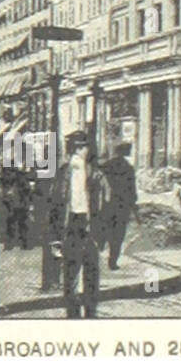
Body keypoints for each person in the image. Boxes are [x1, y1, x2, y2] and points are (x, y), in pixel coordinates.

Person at [51, 131, 109, 319]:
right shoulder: (90, 173)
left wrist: (54, 237)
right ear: (81, 149)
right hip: (81, 225)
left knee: (76, 272)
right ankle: (83, 313)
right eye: (82, 148)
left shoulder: (68, 172)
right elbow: (106, 201)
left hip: (78, 225)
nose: (83, 152)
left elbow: (55, 204)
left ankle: (80, 314)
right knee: (84, 272)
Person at [99, 142, 138, 271]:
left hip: (108, 205)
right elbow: (132, 190)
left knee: (105, 231)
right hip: (122, 206)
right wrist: (134, 206)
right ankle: (112, 261)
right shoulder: (128, 168)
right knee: (118, 235)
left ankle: (99, 253)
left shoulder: (106, 166)